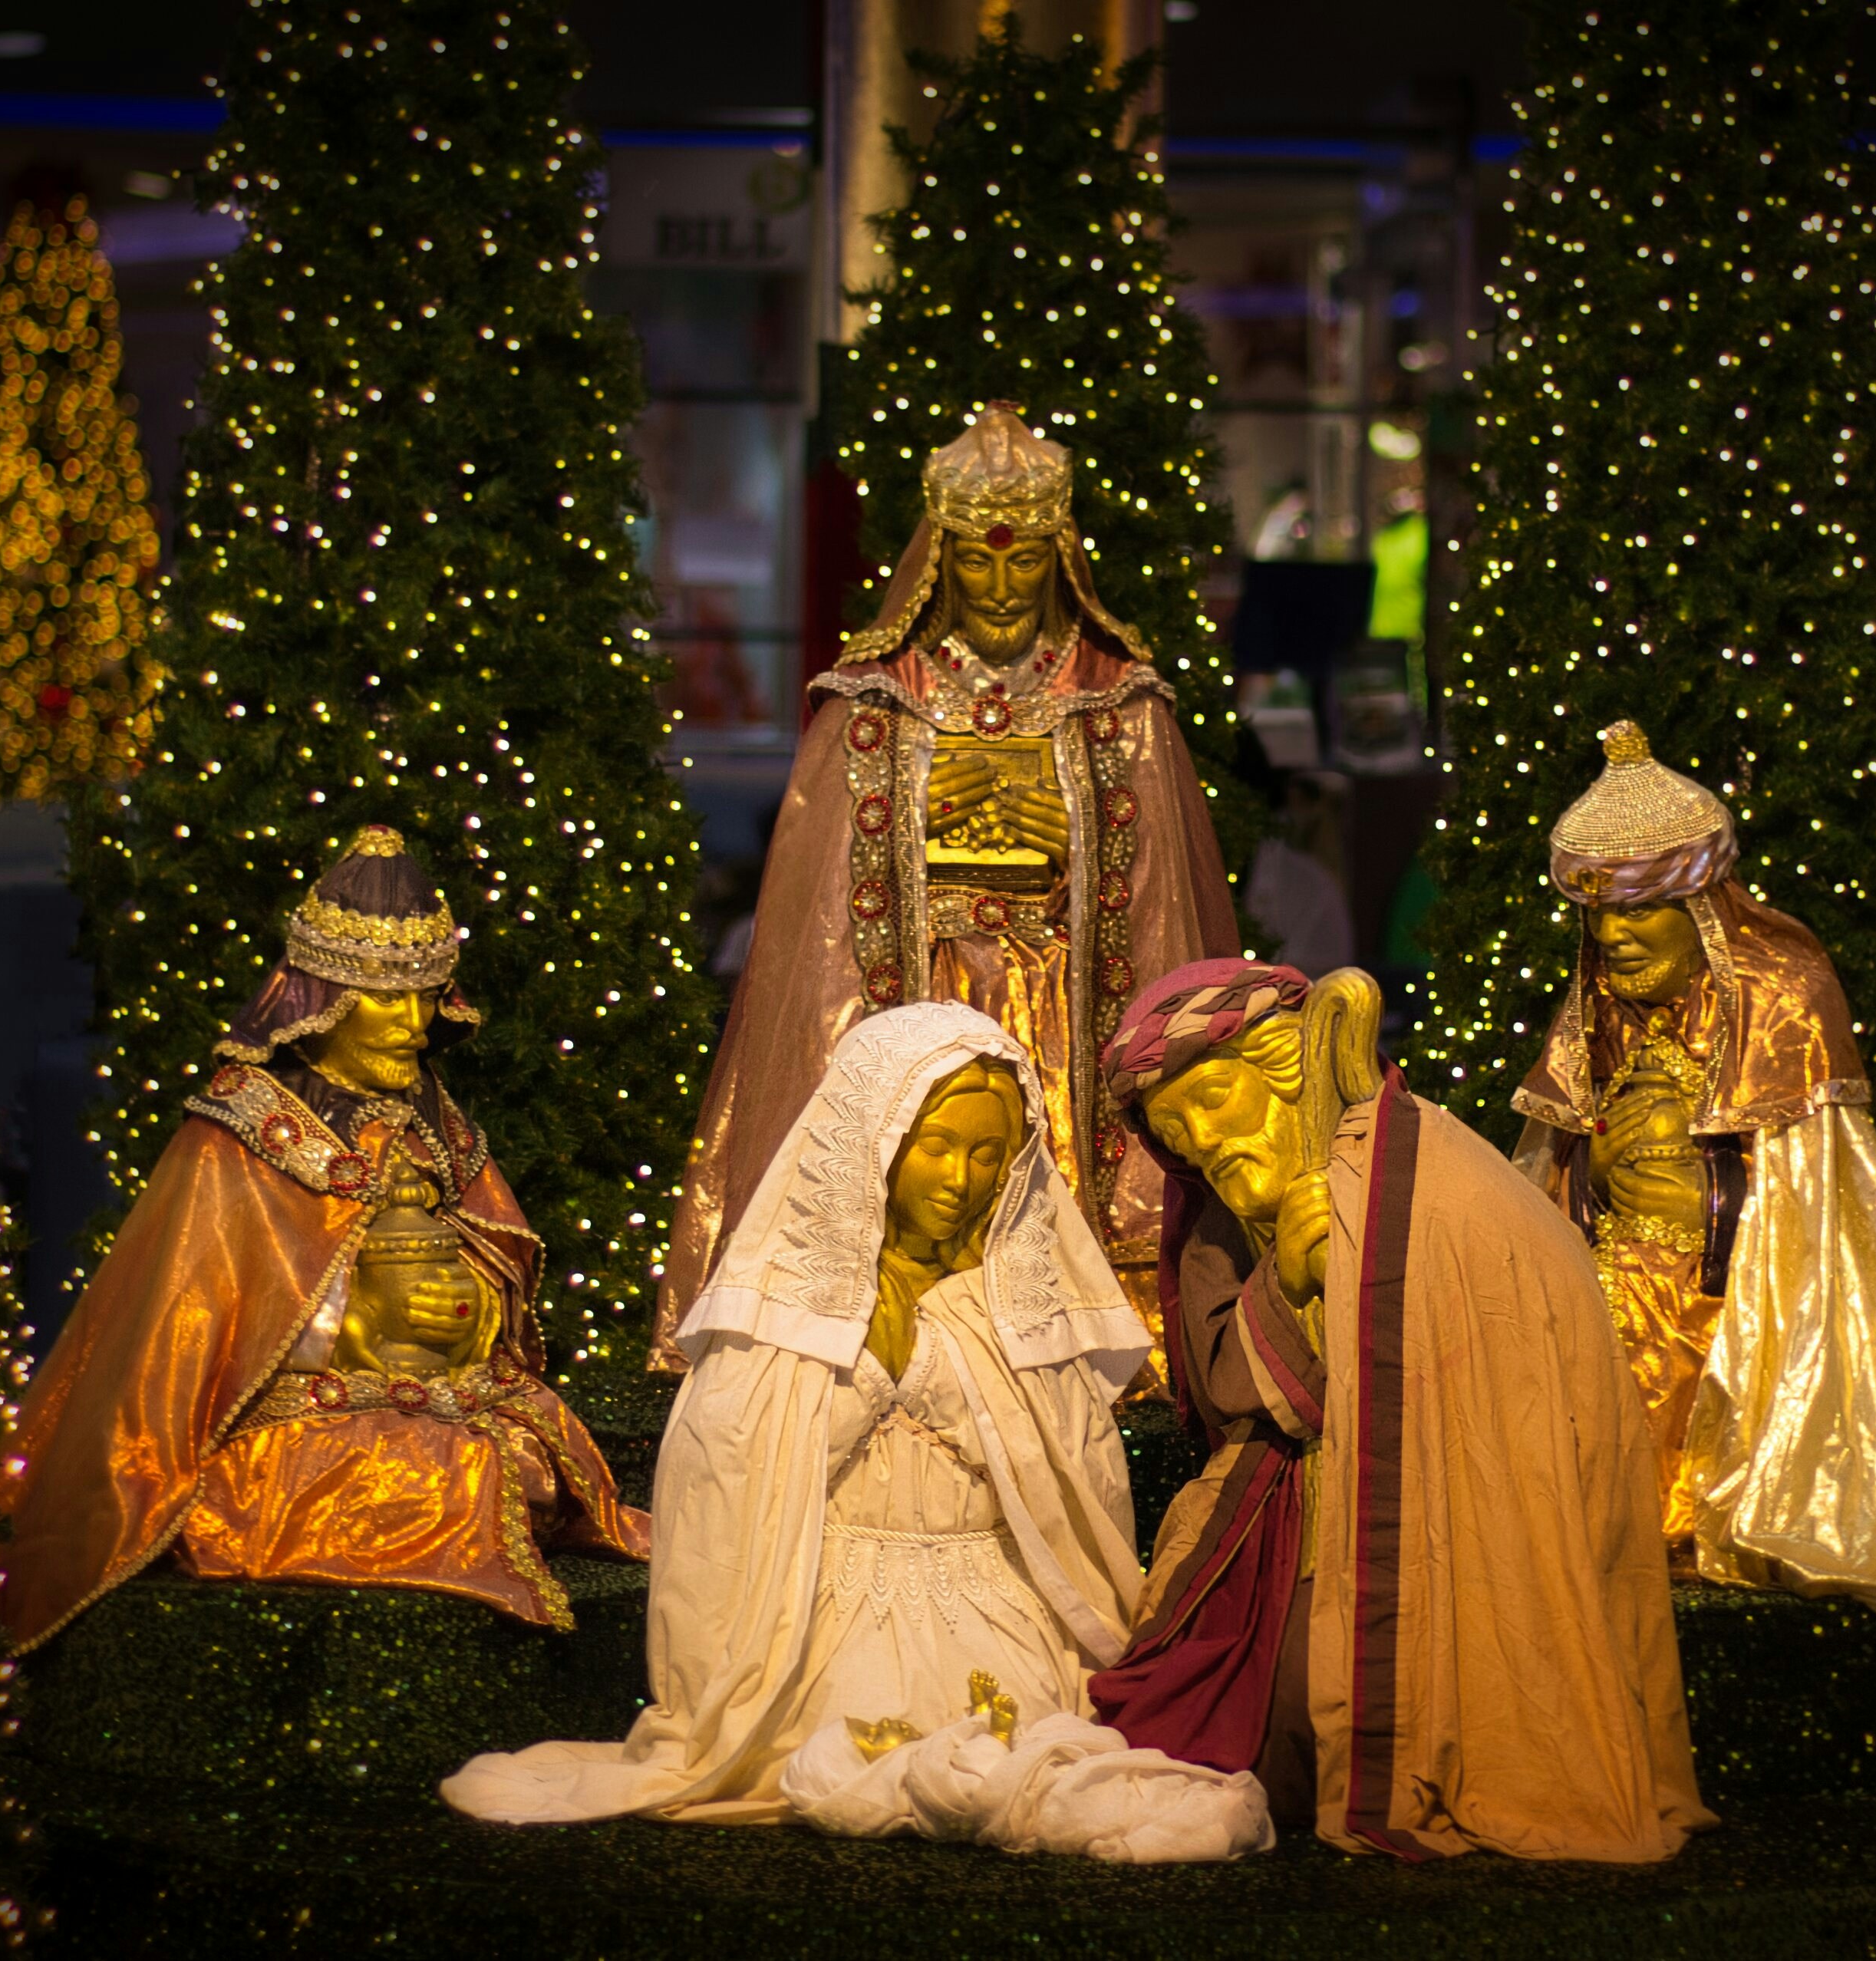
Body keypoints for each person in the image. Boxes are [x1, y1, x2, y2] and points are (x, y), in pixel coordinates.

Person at [444, 1005, 1268, 1863]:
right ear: (878, 1141)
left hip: (996, 1601)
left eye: (988, 1153)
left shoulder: (1017, 1304)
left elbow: (1069, 1480)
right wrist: (872, 1361)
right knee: (844, 1756)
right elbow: (727, 1474)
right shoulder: (785, 1302)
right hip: (813, 1608)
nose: (961, 1178)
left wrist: (949, 1371)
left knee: (1019, 1757)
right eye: (936, 1146)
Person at [654, 404, 1240, 1369]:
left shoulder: (1119, 699)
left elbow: (1161, 895)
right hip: (916, 998)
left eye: (1024, 562)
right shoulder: (877, 700)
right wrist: (907, 815)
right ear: (942, 561)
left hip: (1059, 1008)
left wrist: (1084, 836)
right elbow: (817, 900)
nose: (1002, 589)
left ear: (1059, 558)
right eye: (978, 562)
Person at [1082, 960, 1707, 1861]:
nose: (1204, 1140)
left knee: (1328, 1703)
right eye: (1176, 1129)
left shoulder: (1435, 1186)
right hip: (1297, 1503)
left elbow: (1477, 1389)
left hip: (1465, 1522)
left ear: (1287, 1069)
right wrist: (1285, 1281)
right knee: (1208, 1708)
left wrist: (1336, 1271)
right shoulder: (1224, 1220)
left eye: (1214, 1098)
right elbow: (1229, 1385)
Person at [0, 826, 648, 1650]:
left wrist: (469, 1309)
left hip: (439, 1395)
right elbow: (196, 1329)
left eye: (427, 997)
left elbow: (488, 1255)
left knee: (532, 1450)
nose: (415, 1024)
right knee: (453, 1477)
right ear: (324, 1001)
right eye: (389, 999)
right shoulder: (242, 1133)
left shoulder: (431, 1118)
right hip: (304, 1418)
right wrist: (358, 1327)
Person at [1512, 722, 1876, 1637]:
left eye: (1638, 911)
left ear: (1700, 905)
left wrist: (1708, 1204)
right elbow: (1557, 1169)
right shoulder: (1598, 1005)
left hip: (1739, 1318)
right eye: (1597, 916)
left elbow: (1816, 1216)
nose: (1613, 937)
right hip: (1610, 1311)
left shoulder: (1780, 999)